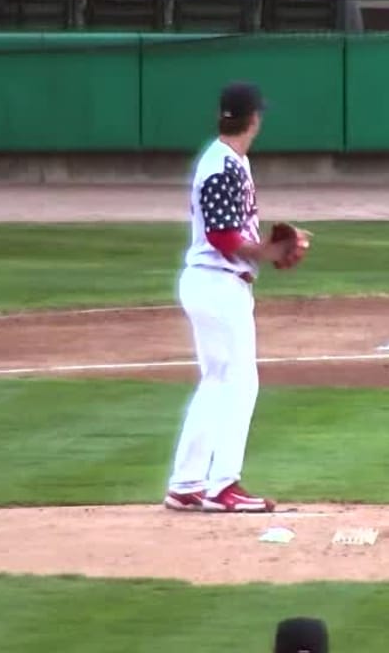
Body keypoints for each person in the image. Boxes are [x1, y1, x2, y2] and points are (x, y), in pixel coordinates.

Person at [163, 82, 307, 513]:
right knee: (240, 381)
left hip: (213, 282)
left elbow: (228, 231)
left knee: (217, 380)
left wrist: (266, 247)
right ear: (255, 119)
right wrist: (269, 251)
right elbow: (223, 236)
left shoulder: (226, 160)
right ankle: (222, 485)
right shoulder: (223, 165)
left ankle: (187, 482)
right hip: (217, 283)